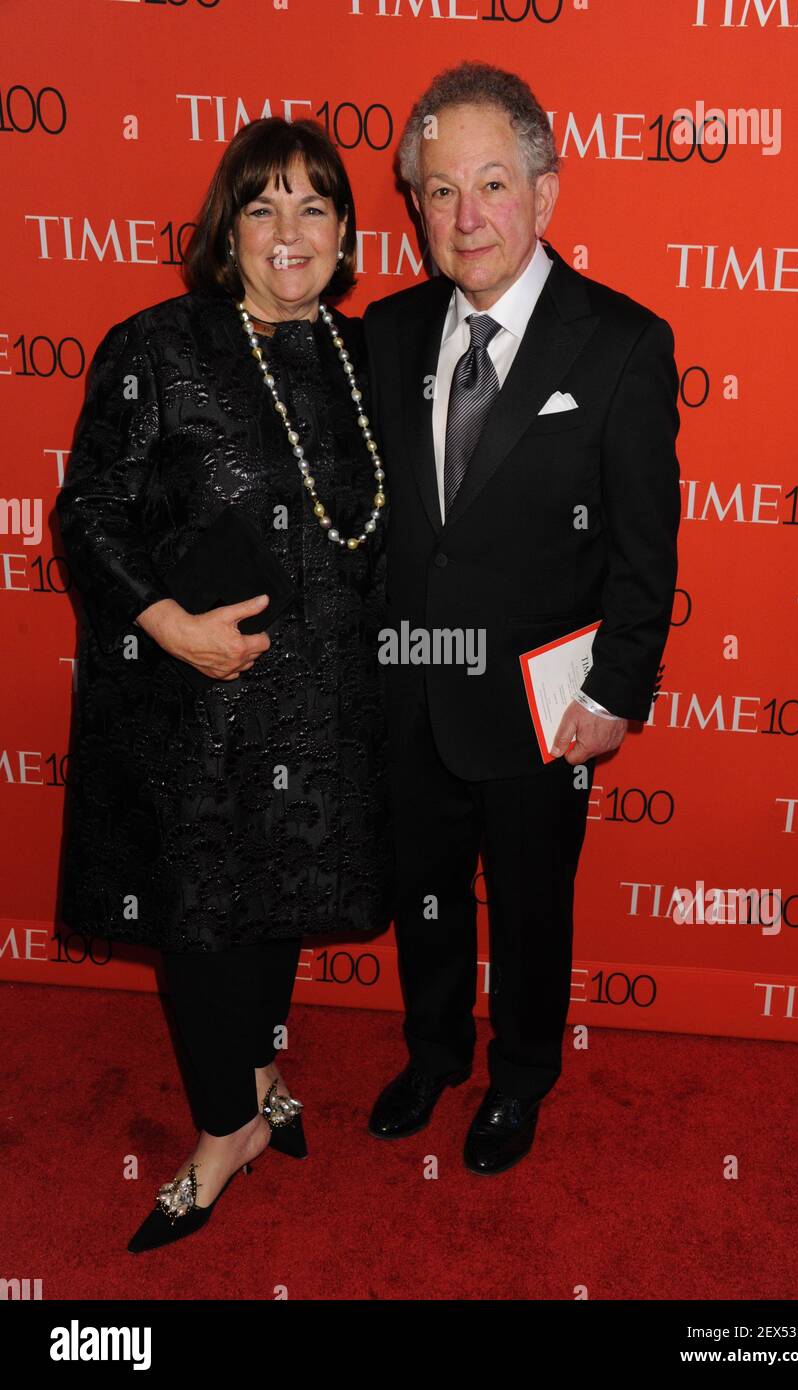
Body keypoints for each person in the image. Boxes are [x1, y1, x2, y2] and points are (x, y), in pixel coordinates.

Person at [56, 116, 391, 1252]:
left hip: (321, 704)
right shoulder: (158, 345)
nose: (289, 231)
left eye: (314, 206)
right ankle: (222, 1133)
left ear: (345, 232)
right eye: (262, 206)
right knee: (203, 925)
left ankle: (262, 1075)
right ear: (227, 229)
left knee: (280, 900)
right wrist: (166, 625)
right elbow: (88, 514)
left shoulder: (360, 355)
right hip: (194, 704)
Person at [363, 62, 680, 1175]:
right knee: (427, 893)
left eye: (492, 184)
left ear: (545, 191)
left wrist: (615, 692)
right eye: (440, 191)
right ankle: (436, 1050)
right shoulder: (386, 334)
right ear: (414, 204)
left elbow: (647, 551)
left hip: (543, 701)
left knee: (534, 906)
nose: (466, 217)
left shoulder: (622, 344)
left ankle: (520, 1076)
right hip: (411, 679)